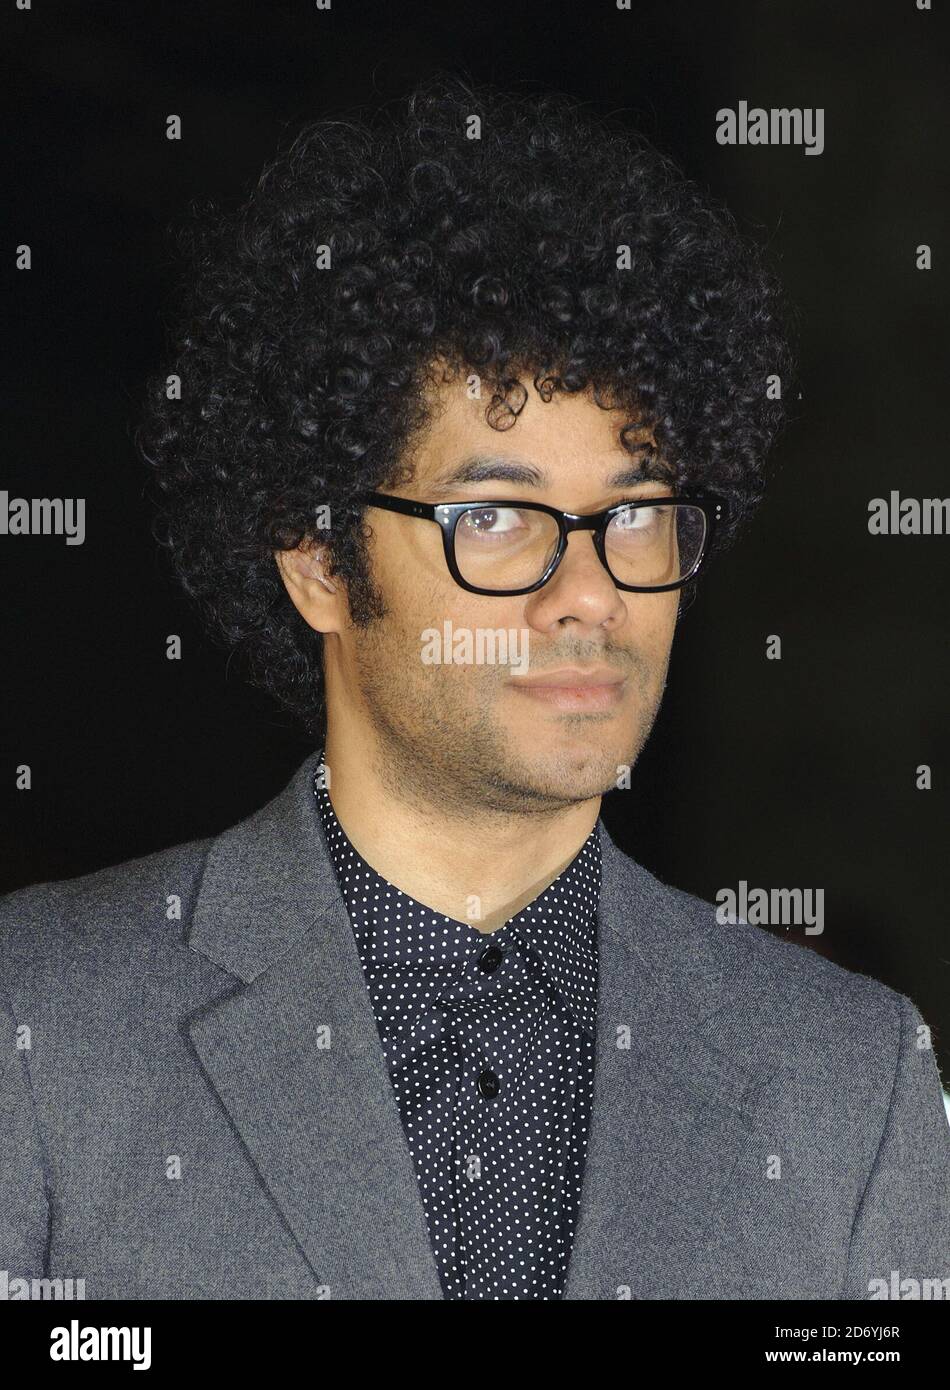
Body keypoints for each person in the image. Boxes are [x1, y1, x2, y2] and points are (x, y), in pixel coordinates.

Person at [1, 75, 947, 1301]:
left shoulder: (849, 1078)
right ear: (321, 563)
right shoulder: (40, 1028)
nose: (587, 594)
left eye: (635, 516)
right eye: (494, 516)